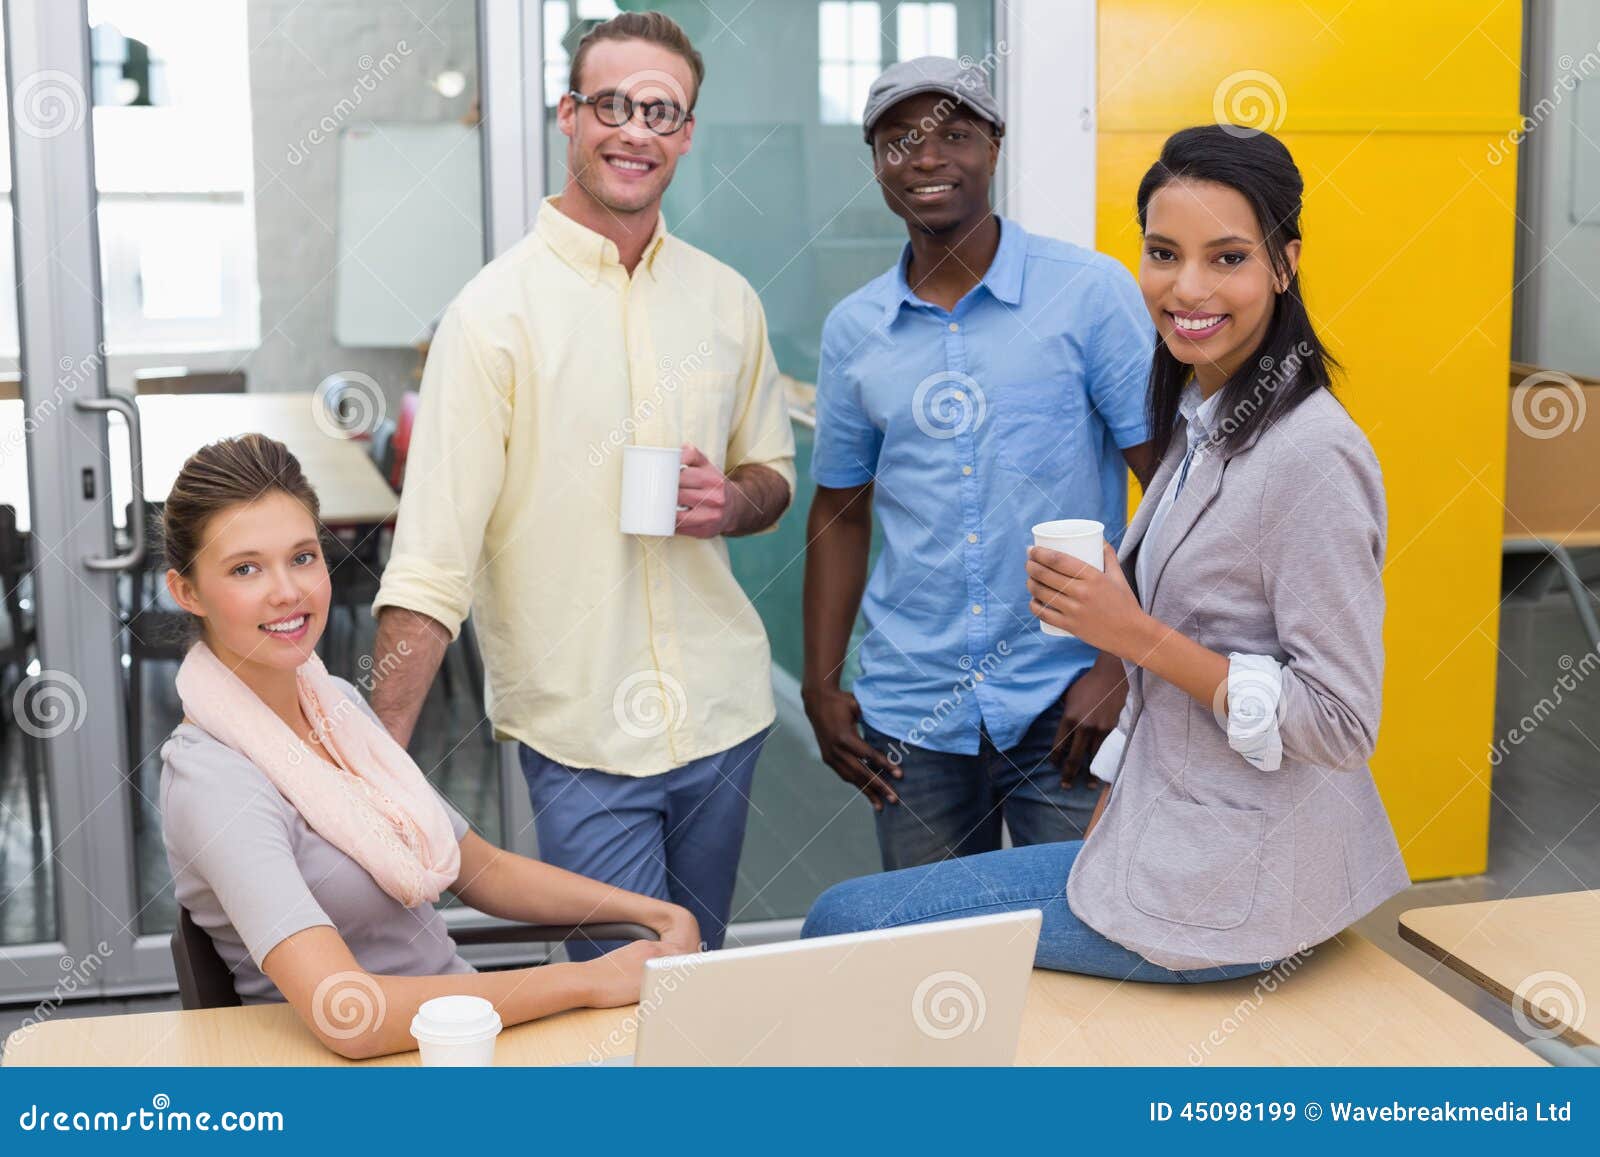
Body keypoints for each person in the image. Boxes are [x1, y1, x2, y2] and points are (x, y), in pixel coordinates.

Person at [802, 126, 1411, 981]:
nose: (1186, 286)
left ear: (1285, 264)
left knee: (842, 923)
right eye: (1164, 253)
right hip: (1169, 841)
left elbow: (1341, 722)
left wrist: (1126, 637)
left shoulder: (1310, 453)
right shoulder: (1205, 425)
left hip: (1233, 886)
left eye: (1228, 258)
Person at [367, 11, 796, 958]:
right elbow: (431, 565)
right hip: (583, 737)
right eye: (612, 104)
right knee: (622, 996)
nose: (635, 129)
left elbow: (773, 475)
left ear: (686, 133)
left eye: (661, 111)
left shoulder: (728, 300)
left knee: (699, 985)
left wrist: (731, 500)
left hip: (725, 717)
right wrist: (373, 763)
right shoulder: (491, 318)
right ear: (569, 115)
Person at [159, 435, 698, 1059]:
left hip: (460, 1034)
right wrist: (588, 980)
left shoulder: (333, 704)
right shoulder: (215, 781)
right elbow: (349, 1016)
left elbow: (480, 867)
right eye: (245, 568)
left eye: (303, 557)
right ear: (188, 591)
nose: (288, 591)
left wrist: (654, 913)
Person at [802, 56, 1157, 872]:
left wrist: (1120, 660)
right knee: (937, 961)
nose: (926, 159)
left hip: (1066, 696)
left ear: (994, 147)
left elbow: (1167, 481)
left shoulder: (1090, 294)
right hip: (912, 713)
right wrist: (819, 683)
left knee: (1077, 947)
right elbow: (840, 510)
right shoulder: (855, 331)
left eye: (953, 135)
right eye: (899, 142)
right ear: (878, 165)